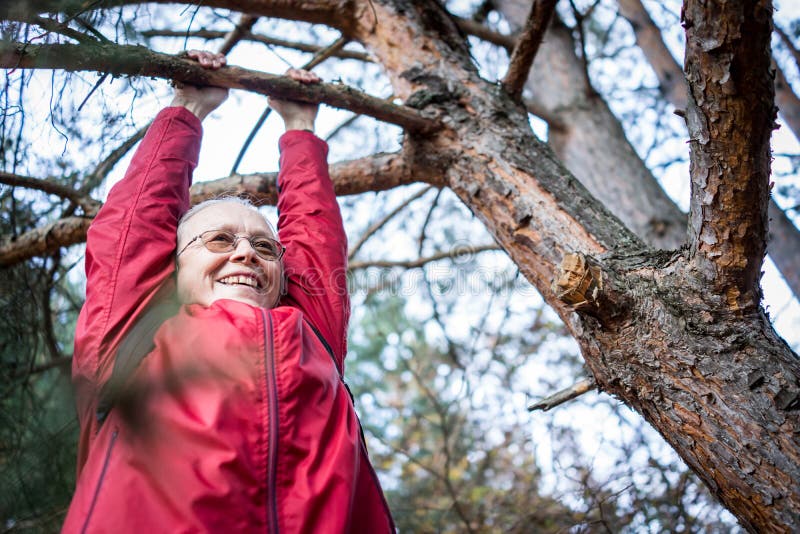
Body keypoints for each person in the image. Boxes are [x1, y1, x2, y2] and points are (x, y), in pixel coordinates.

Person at [62, 50, 395, 533]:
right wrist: (189, 108)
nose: (246, 254)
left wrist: (299, 124)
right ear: (170, 270)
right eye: (219, 240)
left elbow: (315, 235)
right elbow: (134, 223)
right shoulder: (132, 338)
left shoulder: (310, 337)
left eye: (264, 245)